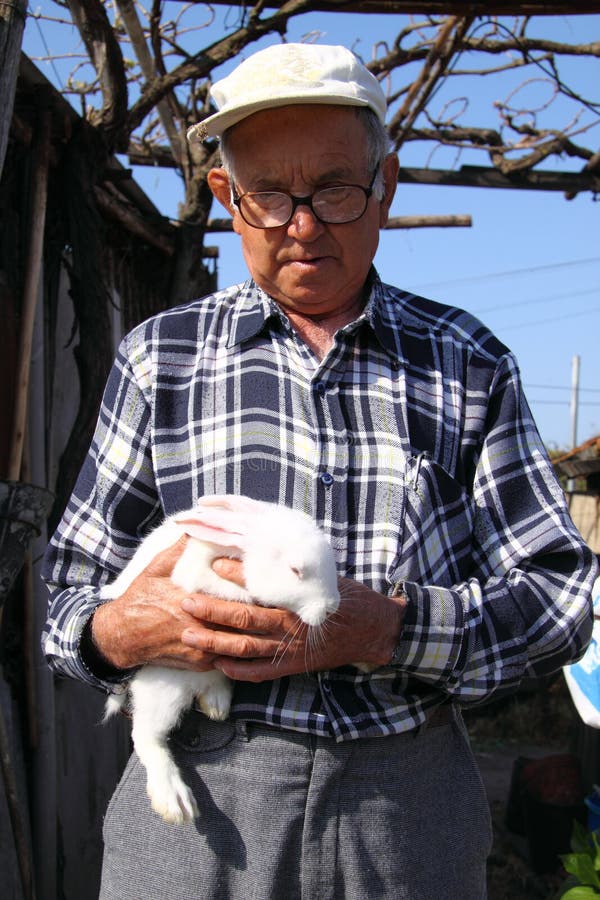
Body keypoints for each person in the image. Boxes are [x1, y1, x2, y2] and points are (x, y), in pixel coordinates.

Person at [42, 42, 597, 900]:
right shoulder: (162, 360)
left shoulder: (466, 362)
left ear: (387, 187)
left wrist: (395, 630)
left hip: (403, 807)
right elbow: (66, 596)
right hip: (200, 801)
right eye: (269, 195)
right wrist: (122, 631)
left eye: (336, 189)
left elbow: (561, 594)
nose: (303, 225)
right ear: (228, 198)